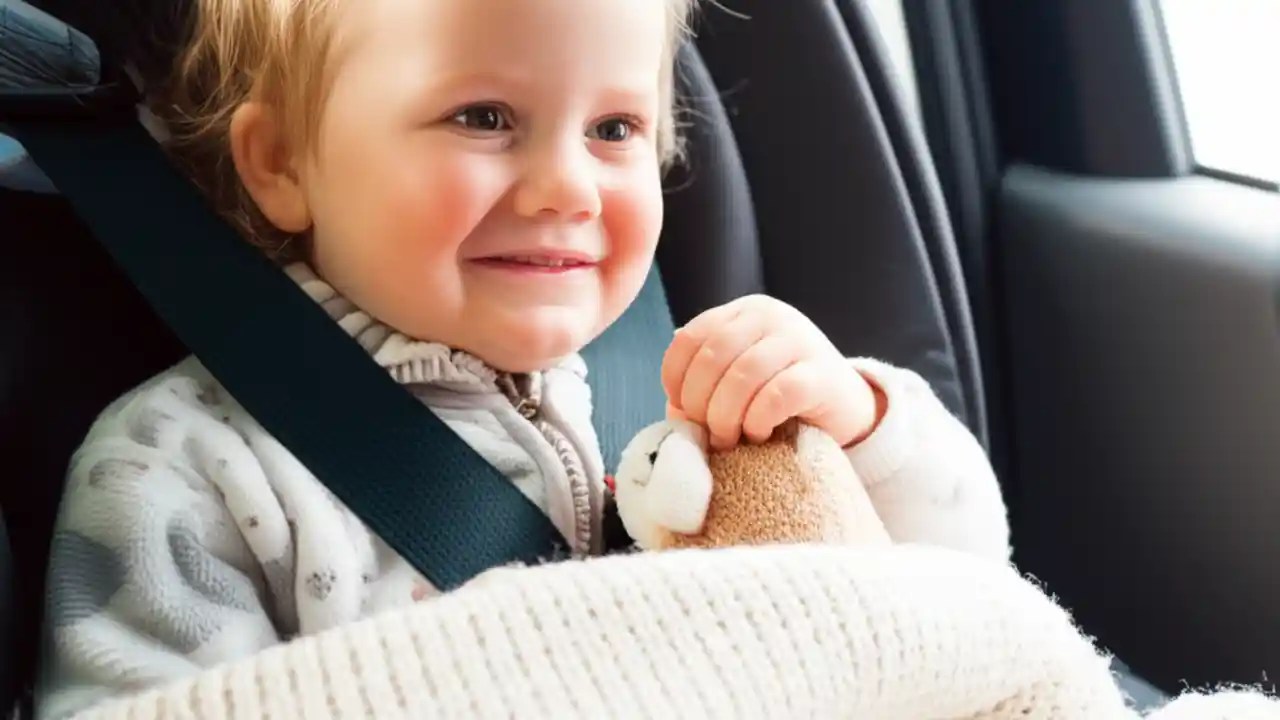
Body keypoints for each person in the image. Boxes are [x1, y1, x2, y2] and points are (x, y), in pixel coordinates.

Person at [37, 0, 1009, 716]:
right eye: (483, 118)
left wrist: (856, 428)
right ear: (283, 163)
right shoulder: (184, 464)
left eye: (614, 130)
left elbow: (954, 608)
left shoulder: (686, 409)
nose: (565, 187)